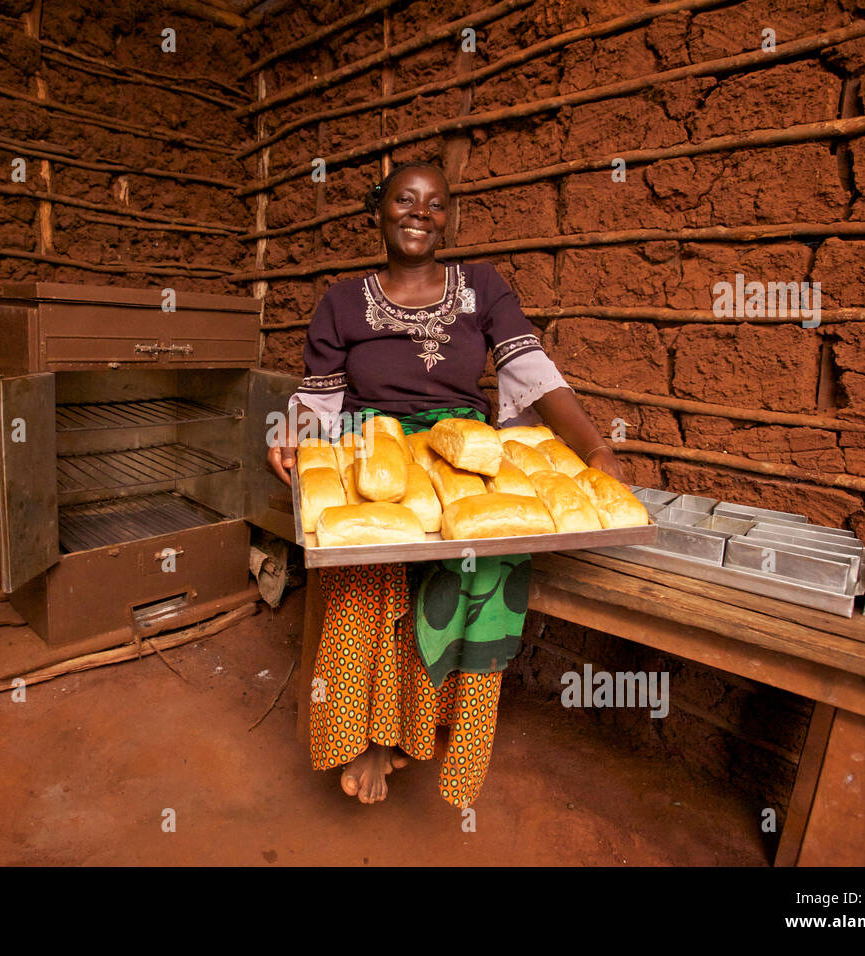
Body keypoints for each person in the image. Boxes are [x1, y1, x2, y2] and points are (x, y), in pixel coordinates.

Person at [267, 162, 626, 807]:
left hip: (458, 445)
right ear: (379, 211)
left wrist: (596, 448)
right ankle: (372, 738)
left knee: (480, 559)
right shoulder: (343, 300)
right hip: (371, 443)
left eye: (435, 205)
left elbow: (534, 372)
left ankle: (433, 734)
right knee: (368, 566)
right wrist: (289, 433)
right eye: (405, 200)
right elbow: (317, 396)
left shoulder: (483, 287)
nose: (419, 214)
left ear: (449, 219)